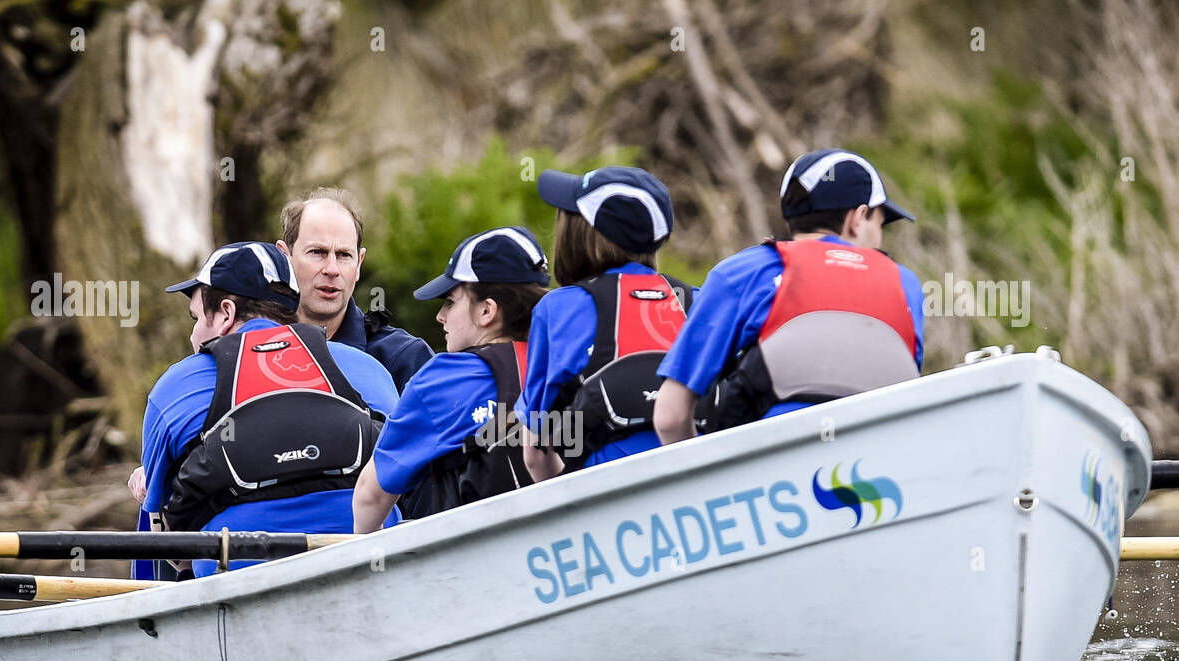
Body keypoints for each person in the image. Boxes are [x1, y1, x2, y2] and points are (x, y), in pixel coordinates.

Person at [135, 241, 401, 579]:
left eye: (197, 317)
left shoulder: (174, 386)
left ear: (226, 314)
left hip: (237, 577)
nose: (193, 334)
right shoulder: (369, 369)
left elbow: (162, 530)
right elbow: (403, 469)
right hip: (368, 562)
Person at [653, 148, 925, 443]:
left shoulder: (740, 273)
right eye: (880, 222)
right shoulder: (905, 284)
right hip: (885, 458)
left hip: (770, 465)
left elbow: (670, 416)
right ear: (858, 218)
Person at [352, 227, 550, 532]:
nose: (440, 316)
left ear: (486, 310)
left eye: (450, 301)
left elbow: (369, 495)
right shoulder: (569, 362)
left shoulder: (444, 380)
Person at [515, 166, 696, 482]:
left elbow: (536, 454)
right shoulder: (696, 299)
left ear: (584, 233)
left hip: (608, 493)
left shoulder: (558, 308)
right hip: (701, 481)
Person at [276, 188, 434, 393]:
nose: (332, 269)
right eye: (317, 252)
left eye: (343, 255)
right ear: (284, 257)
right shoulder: (249, 352)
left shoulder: (406, 360)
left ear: (359, 263)